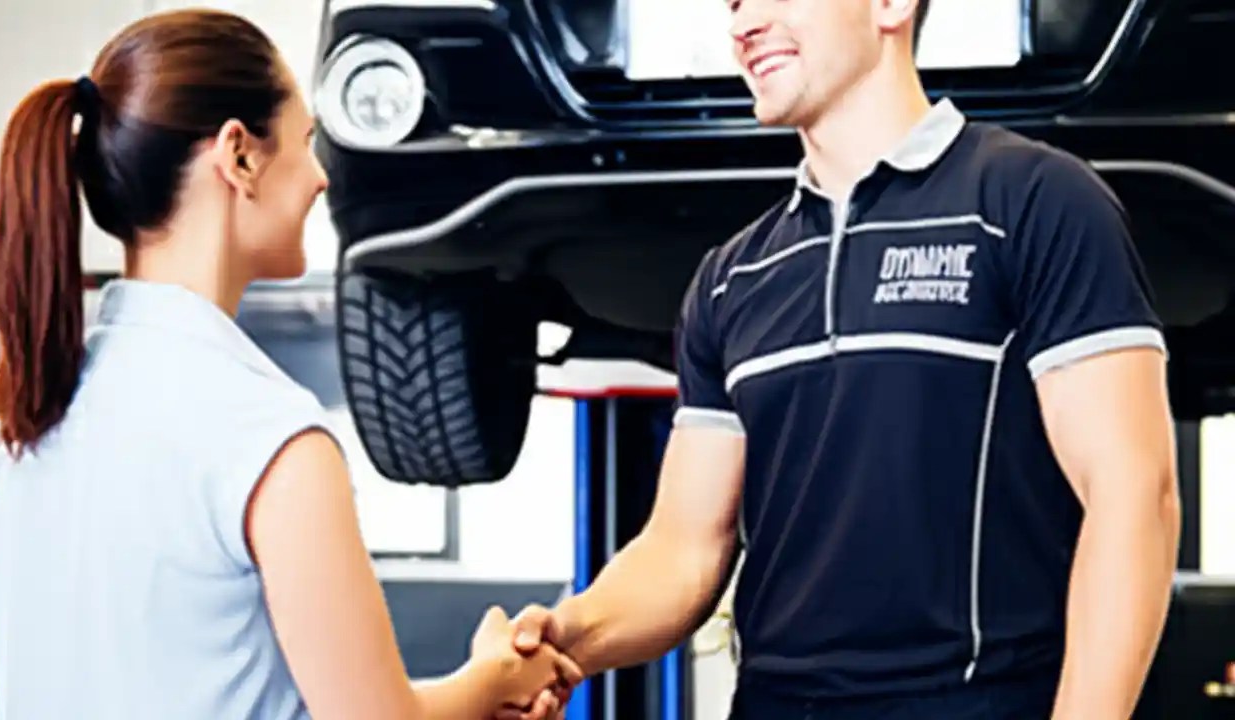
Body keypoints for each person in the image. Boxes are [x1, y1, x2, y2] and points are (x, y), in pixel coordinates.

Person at [504, 1, 1181, 718]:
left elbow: (1134, 493)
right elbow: (684, 550)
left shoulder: (1035, 203)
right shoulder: (732, 278)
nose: (741, 25)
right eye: (732, 3)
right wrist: (566, 635)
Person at [0, 9, 578, 720]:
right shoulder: (266, 435)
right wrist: (495, 680)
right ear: (239, 156)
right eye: (306, 142)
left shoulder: (30, 425)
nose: (321, 179)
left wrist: (481, 686)